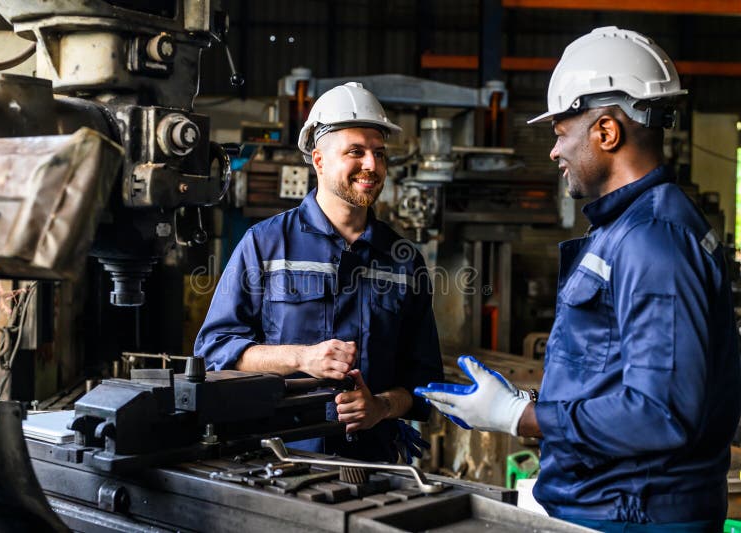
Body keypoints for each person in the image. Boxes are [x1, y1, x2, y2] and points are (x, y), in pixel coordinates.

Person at [416, 26, 741, 531]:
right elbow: (617, 373)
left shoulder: (653, 239)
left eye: (561, 132)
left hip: (633, 514)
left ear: (607, 132)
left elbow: (660, 412)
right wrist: (531, 404)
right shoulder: (631, 228)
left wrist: (514, 419)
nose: (554, 151)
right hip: (613, 506)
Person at [195, 82, 444, 463]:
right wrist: (301, 358)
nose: (372, 166)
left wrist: (380, 406)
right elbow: (215, 351)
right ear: (319, 160)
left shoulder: (404, 260)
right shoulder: (265, 246)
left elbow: (423, 383)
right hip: (279, 460)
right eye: (355, 152)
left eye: (379, 153)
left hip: (374, 464)